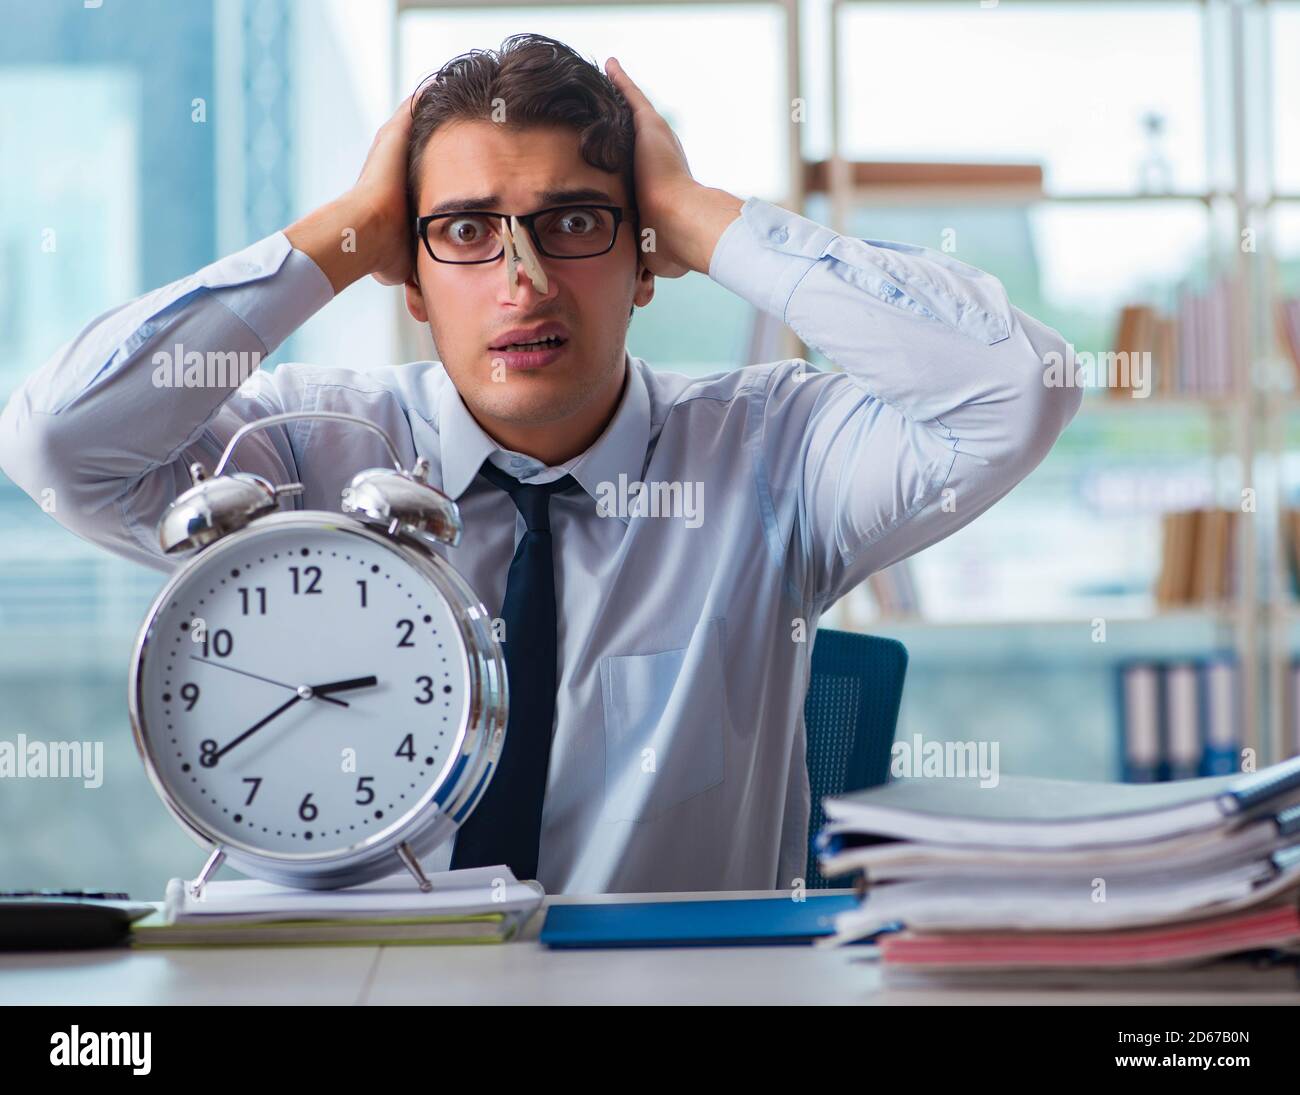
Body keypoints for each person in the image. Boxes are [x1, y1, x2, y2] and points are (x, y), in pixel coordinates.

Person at [0, 33, 1081, 893]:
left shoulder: (771, 459)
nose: (522, 280)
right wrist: (336, 236)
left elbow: (1014, 390)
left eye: (571, 221)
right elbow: (56, 445)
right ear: (407, 279)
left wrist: (703, 221)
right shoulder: (294, 455)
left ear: (644, 260)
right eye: (465, 231)